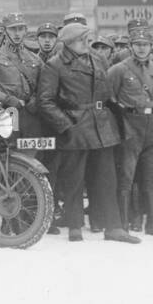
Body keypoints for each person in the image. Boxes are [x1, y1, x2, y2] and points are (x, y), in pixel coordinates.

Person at [37, 22, 137, 244]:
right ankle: (75, 227)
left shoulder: (97, 59)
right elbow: (45, 101)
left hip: (101, 126)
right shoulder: (54, 65)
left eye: (86, 38)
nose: (86, 43)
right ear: (69, 42)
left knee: (107, 180)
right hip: (75, 128)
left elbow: (106, 92)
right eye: (81, 39)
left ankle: (113, 227)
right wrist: (66, 125)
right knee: (74, 180)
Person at [106, 28, 153, 235]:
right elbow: (109, 99)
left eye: (146, 44)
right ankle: (123, 224)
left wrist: (152, 113)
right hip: (129, 123)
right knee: (126, 175)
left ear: (151, 46)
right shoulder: (118, 70)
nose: (142, 48)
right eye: (137, 44)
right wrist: (124, 119)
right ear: (130, 46)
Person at [0, 13, 43, 137]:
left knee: (33, 146)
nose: (17, 33)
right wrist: (6, 99)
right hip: (6, 113)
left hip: (32, 113)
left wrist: (35, 100)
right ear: (5, 31)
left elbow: (45, 87)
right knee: (9, 146)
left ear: (26, 30)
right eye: (12, 29)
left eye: (20, 29)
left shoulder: (35, 59)